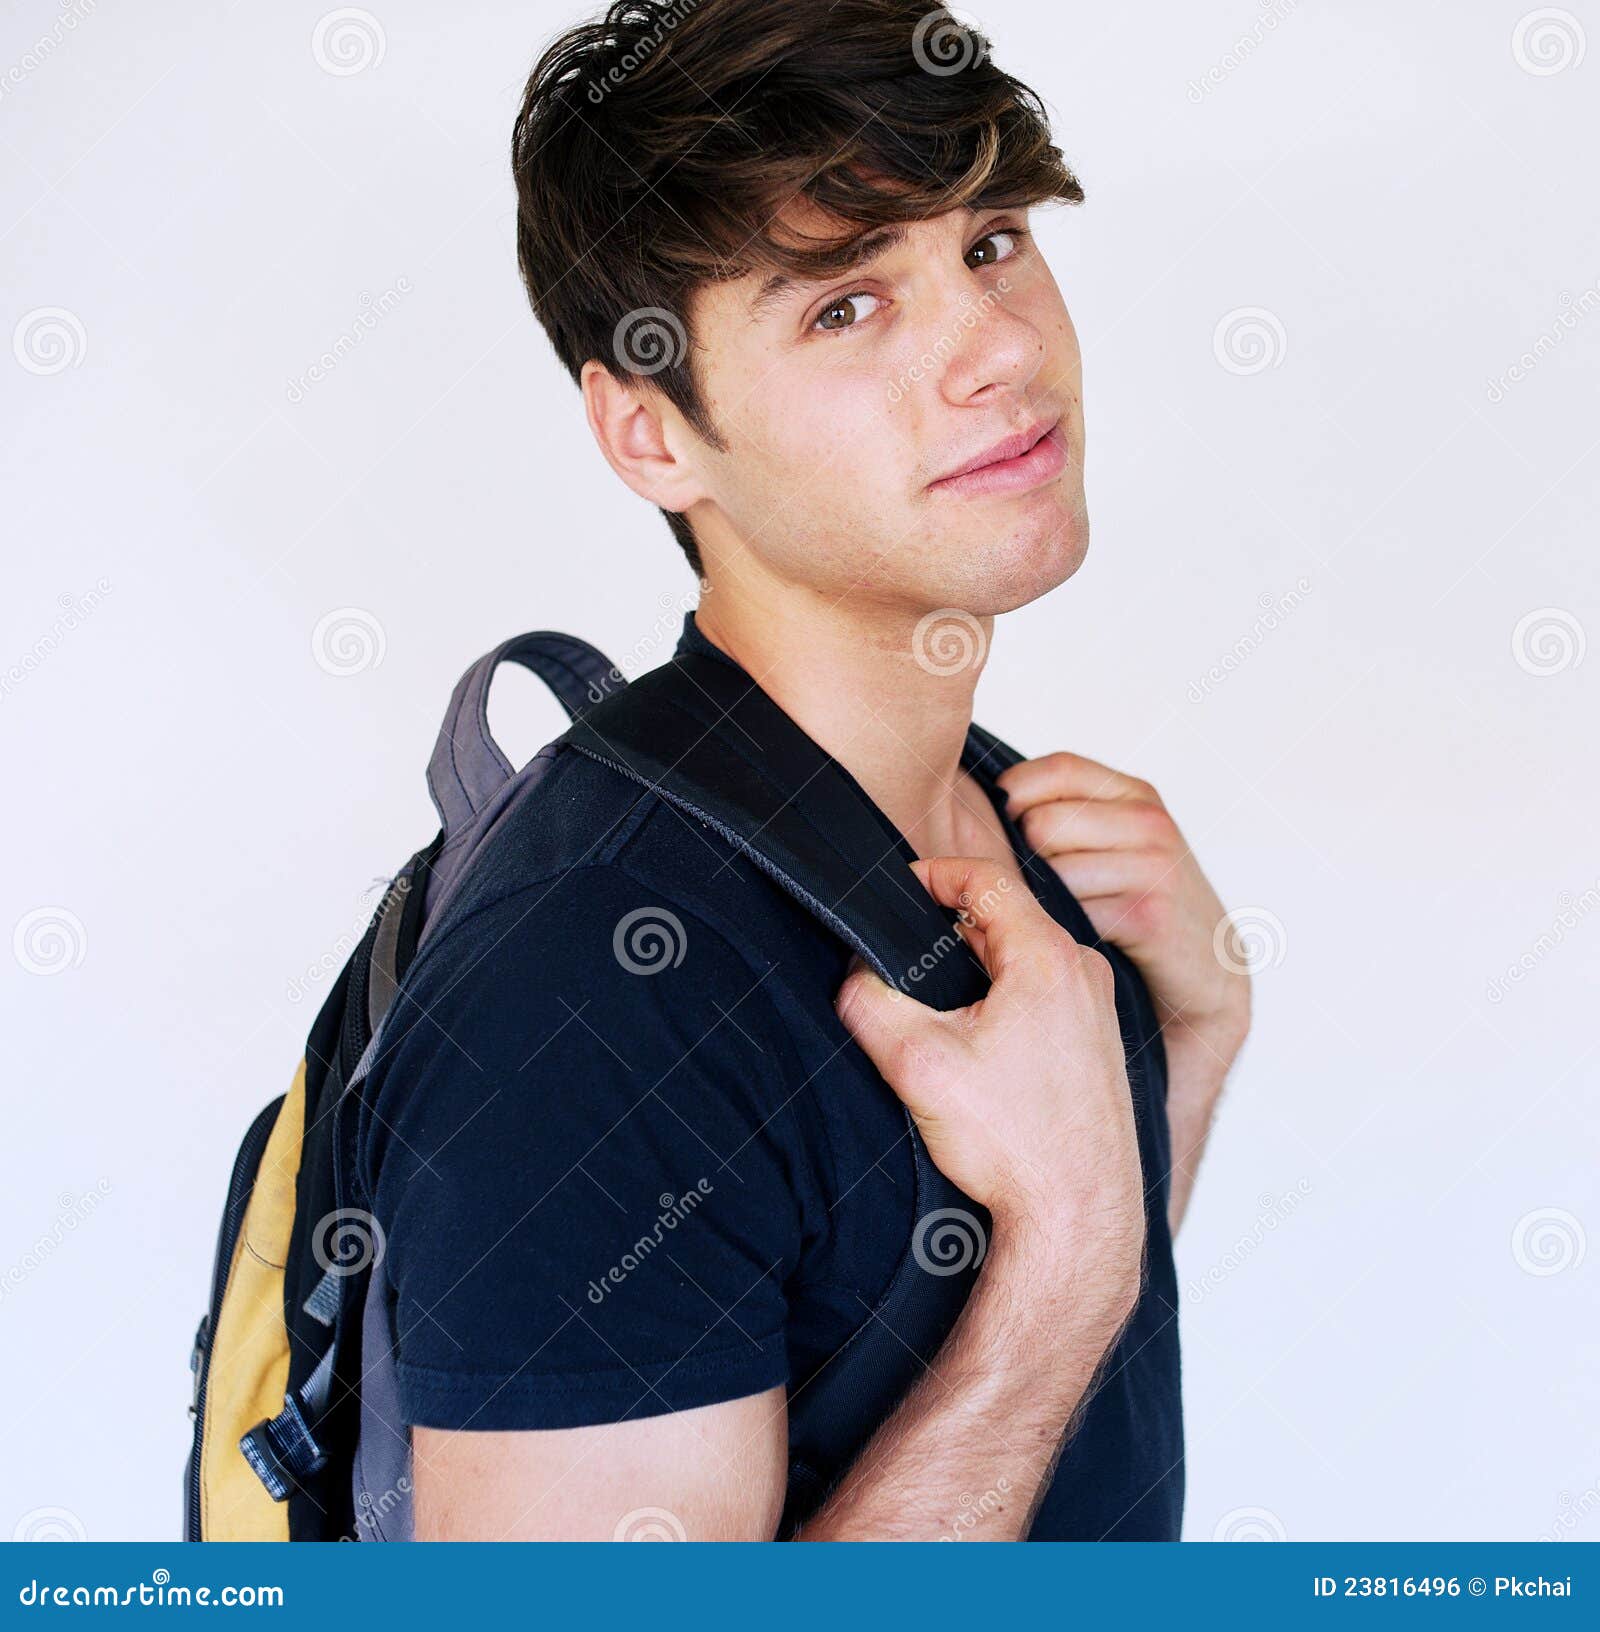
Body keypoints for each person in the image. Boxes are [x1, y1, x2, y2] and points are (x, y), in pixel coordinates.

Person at [354, 0, 1251, 1541]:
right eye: (845, 306)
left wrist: (1190, 1033)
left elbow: (1011, 1403)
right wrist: (1075, 1251)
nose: (996, 349)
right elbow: (1053, 1296)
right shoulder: (588, 998)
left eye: (990, 242)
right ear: (650, 434)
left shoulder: (999, 820)